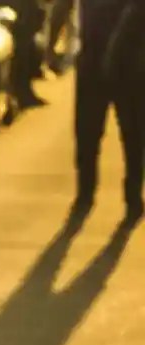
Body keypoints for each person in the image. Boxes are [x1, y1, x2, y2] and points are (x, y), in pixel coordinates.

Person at [47, 0, 144, 221]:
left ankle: (87, 194)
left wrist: (51, 47)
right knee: (131, 135)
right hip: (126, 61)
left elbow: (62, 7)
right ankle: (131, 198)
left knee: (91, 132)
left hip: (107, 58)